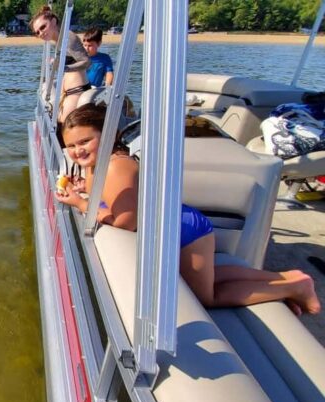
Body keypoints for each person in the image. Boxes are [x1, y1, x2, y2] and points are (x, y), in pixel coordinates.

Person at [55, 103, 321, 314]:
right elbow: (111, 197)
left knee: (206, 298)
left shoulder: (116, 166)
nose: (77, 151)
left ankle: (294, 288)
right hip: (175, 223)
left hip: (184, 233)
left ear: (110, 133)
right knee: (211, 274)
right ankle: (285, 276)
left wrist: (82, 204)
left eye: (85, 141)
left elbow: (127, 222)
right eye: (71, 146)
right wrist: (84, 189)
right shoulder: (98, 164)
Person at [30, 5, 91, 122]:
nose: (41, 33)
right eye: (37, 32)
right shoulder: (58, 40)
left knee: (62, 125)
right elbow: (70, 57)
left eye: (43, 27)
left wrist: (64, 67)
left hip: (77, 91)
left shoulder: (68, 38)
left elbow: (87, 62)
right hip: (68, 91)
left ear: (53, 21)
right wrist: (57, 62)